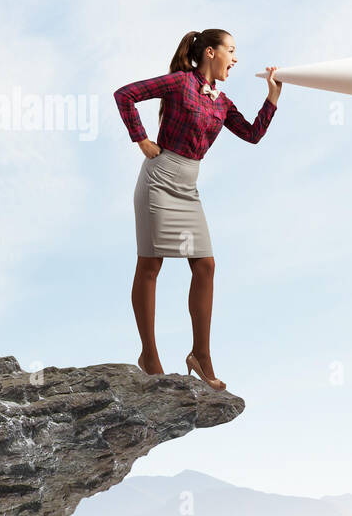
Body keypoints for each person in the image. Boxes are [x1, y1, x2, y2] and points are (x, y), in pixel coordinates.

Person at [113, 29, 282, 390]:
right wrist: (141, 138)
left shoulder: (222, 103)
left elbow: (252, 135)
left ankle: (200, 356)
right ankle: (149, 355)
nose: (235, 59)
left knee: (205, 265)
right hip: (159, 181)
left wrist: (272, 97)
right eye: (231, 51)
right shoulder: (179, 83)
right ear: (210, 52)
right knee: (150, 264)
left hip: (188, 188)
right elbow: (125, 95)